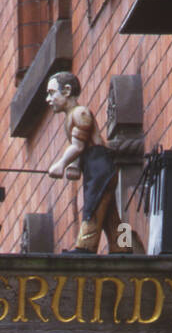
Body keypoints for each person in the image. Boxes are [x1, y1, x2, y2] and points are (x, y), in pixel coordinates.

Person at [46, 72, 127, 254]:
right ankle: (123, 246)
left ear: (66, 91)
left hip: (99, 167)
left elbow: (77, 147)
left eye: (51, 93)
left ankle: (85, 247)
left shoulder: (80, 113)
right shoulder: (71, 117)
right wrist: (74, 166)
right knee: (110, 213)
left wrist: (61, 164)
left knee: (93, 206)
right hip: (96, 167)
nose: (48, 99)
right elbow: (80, 149)